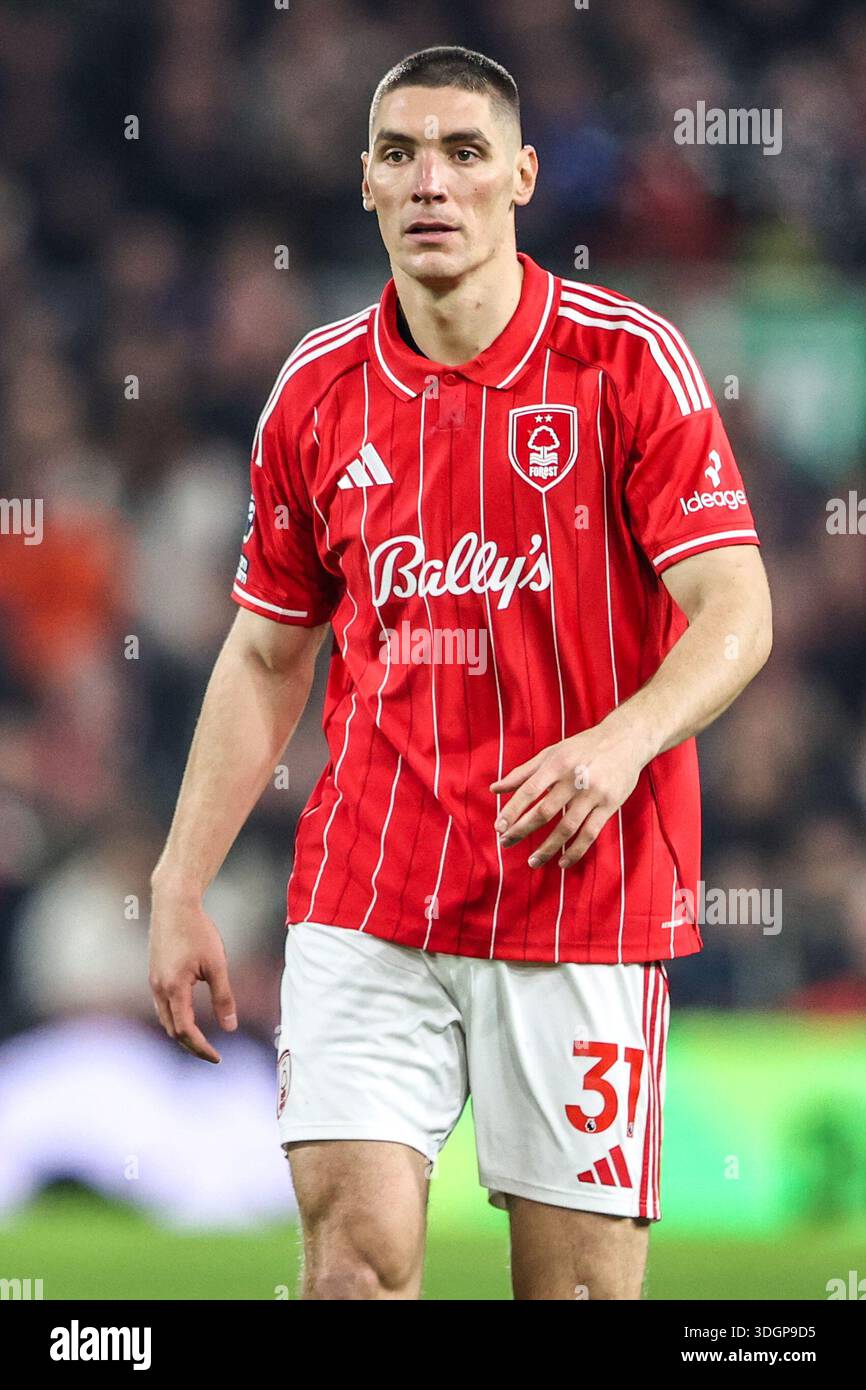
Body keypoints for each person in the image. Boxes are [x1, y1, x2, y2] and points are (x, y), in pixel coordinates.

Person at [149, 45, 772, 1300]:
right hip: (369, 898)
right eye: (400, 154)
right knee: (351, 1273)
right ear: (366, 184)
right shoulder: (314, 393)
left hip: (579, 901)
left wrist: (619, 740)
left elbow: (735, 610)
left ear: (522, 177)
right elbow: (270, 649)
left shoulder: (625, 363)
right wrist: (177, 879)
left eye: (463, 152)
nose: (430, 181)